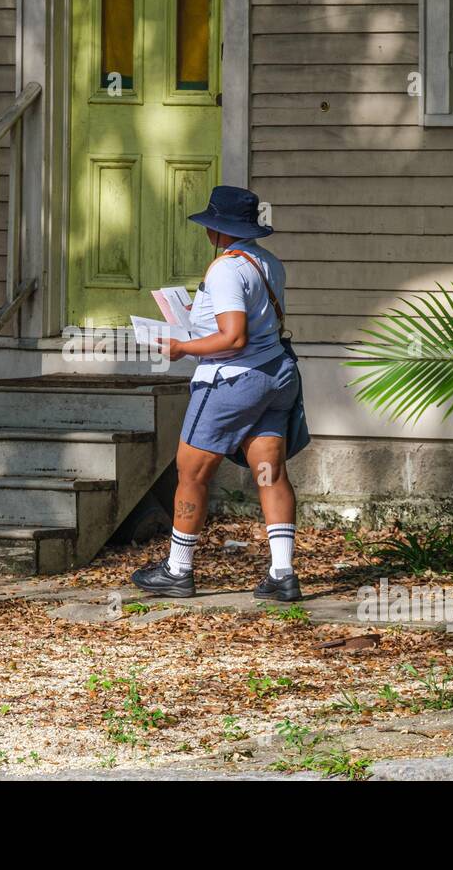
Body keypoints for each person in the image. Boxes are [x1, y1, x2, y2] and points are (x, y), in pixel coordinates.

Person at [132, 185, 307, 602]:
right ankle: (282, 573)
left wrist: (181, 347)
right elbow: (252, 322)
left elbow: (233, 337)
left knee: (191, 471)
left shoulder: (225, 269)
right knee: (270, 472)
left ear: (217, 228)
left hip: (233, 381)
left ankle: (177, 569)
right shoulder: (267, 262)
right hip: (275, 376)